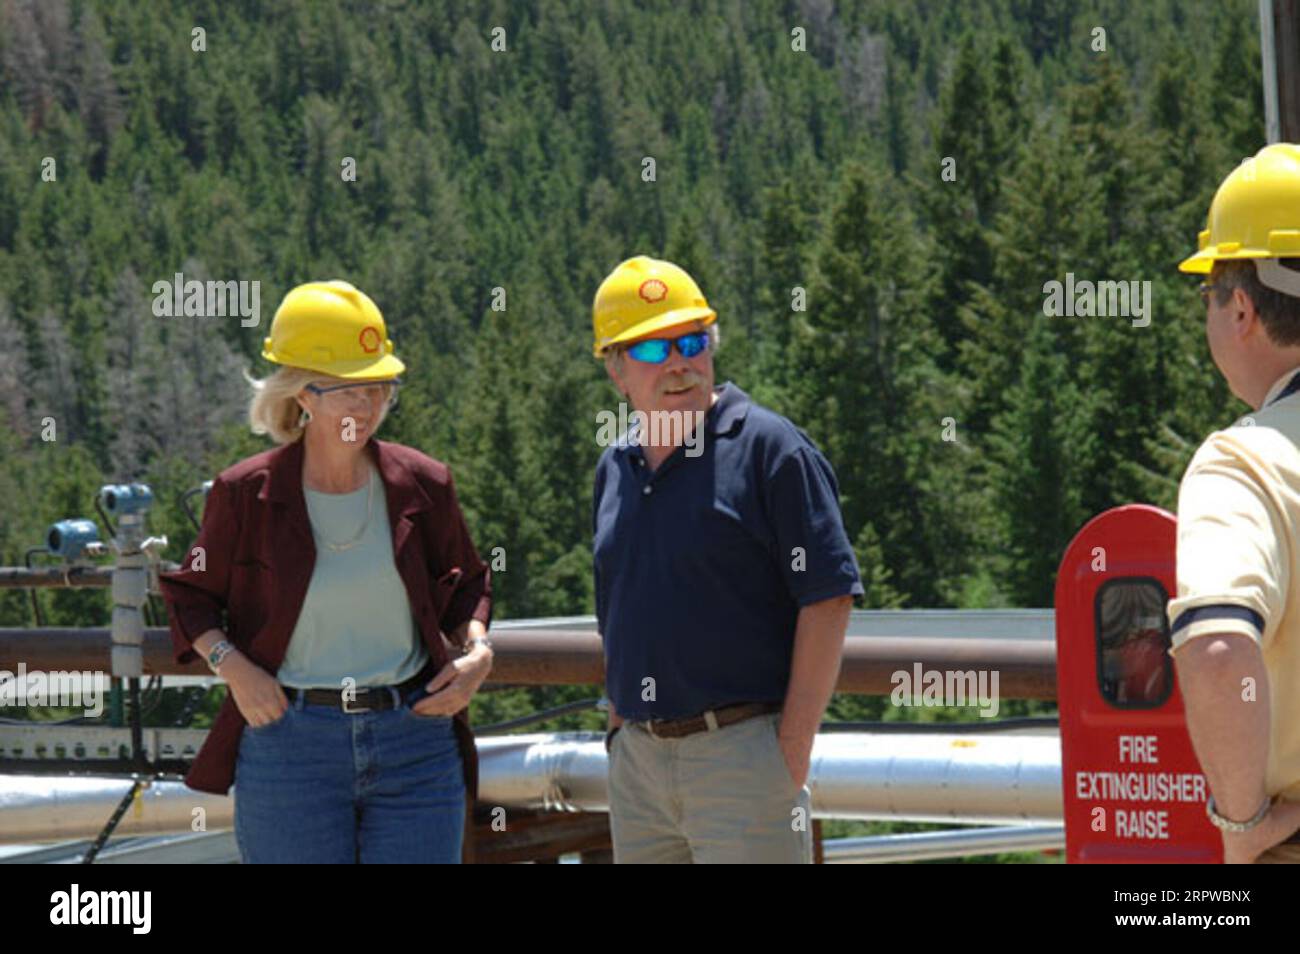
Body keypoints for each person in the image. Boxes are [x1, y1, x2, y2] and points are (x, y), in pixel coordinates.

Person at [159, 280, 493, 863]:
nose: (366, 407)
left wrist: (478, 653)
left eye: (380, 387)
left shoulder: (424, 482)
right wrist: (233, 668)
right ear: (302, 393)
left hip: (416, 742)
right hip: (289, 749)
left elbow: (467, 584)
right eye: (347, 390)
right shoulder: (245, 493)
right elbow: (190, 597)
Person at [591, 255, 864, 863]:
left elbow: (829, 597)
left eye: (693, 340)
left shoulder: (771, 449)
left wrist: (787, 753)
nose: (681, 363)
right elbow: (617, 607)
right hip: (639, 766)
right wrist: (618, 728)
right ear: (616, 370)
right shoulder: (614, 468)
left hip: (743, 757)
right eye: (656, 350)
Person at [1168, 143, 1300, 863]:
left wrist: (1244, 830)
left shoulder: (1243, 462)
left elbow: (1219, 653)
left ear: (1241, 307)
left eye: (1208, 295)